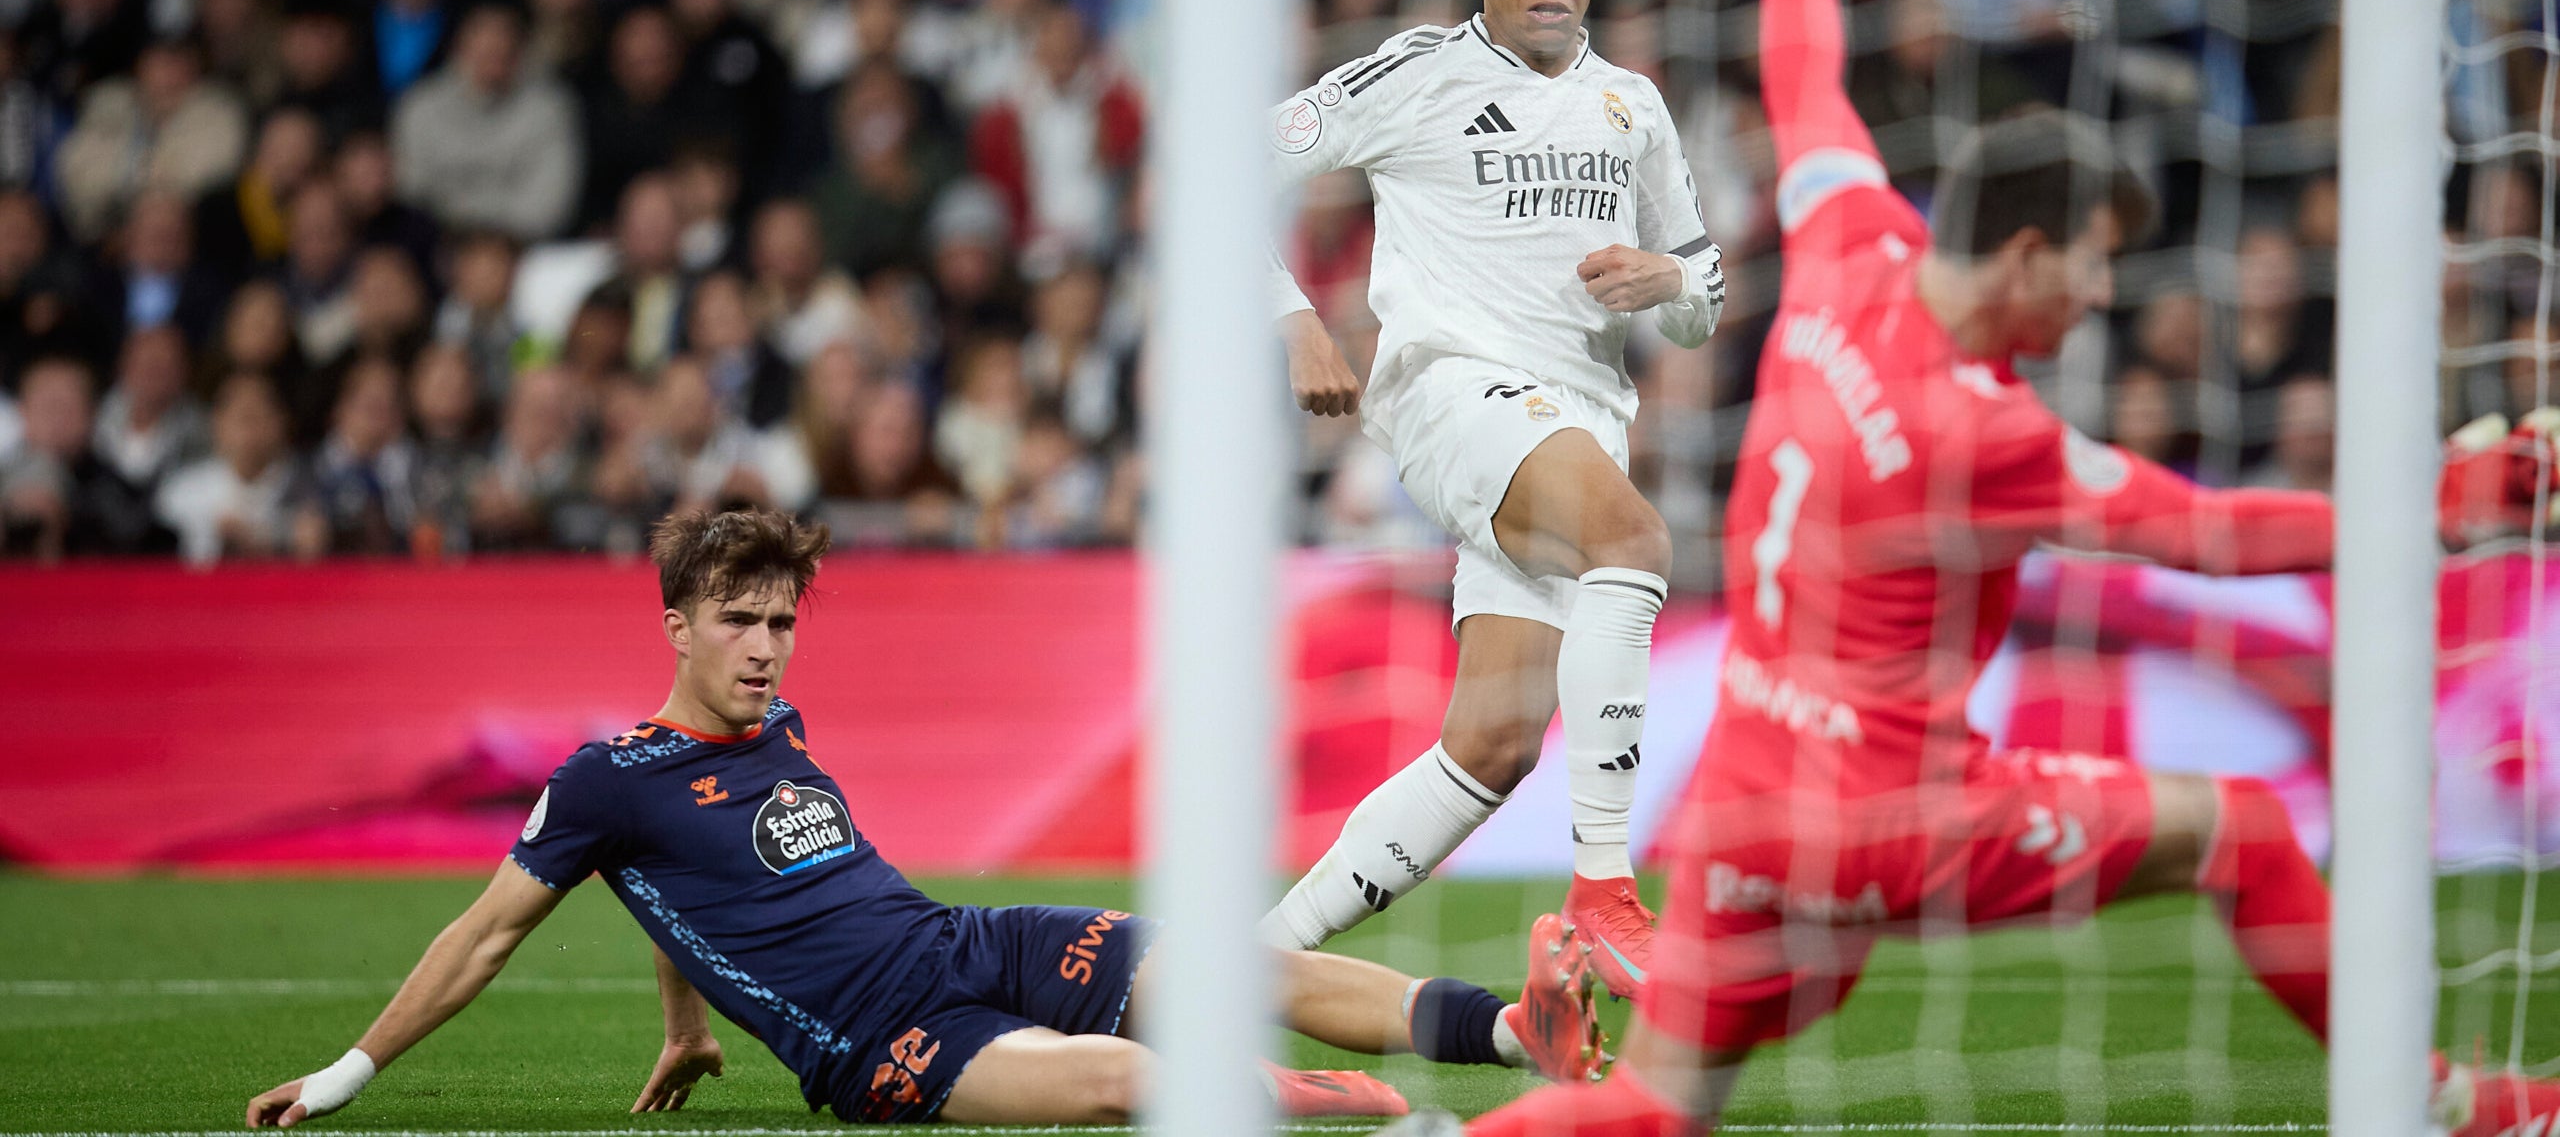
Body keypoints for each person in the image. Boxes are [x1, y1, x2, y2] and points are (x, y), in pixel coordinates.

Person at [1390, 0, 2560, 1132]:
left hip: (1742, 790)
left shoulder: (1846, 244)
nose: (2100, 297)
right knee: (2239, 828)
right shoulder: (1983, 427)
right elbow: (2209, 533)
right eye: (2093, 264)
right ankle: (2436, 1100)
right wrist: (2438, 507)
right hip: (1895, 811)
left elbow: (1805, 80)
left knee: (1660, 1100)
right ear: (2023, 252)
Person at [245, 508, 1604, 1129]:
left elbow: (678, 891)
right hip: (886, 1045)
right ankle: (1328, 1116)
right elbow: (488, 936)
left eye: (782, 621)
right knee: (1132, 1086)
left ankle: (1512, 1032)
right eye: (740, 622)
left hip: (970, 943)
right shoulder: (607, 782)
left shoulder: (775, 731)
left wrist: (683, 1029)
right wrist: (346, 1072)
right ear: (677, 626)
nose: (769, 647)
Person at [1256, 0, 1726, 997]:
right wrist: (1296, 324)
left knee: (1496, 741)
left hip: (1578, 422)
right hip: (1453, 392)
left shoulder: (1633, 107)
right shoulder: (1418, 73)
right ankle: (1605, 889)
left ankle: (1256, 958)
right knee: (1639, 543)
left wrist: (1668, 276)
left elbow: (1701, 296)